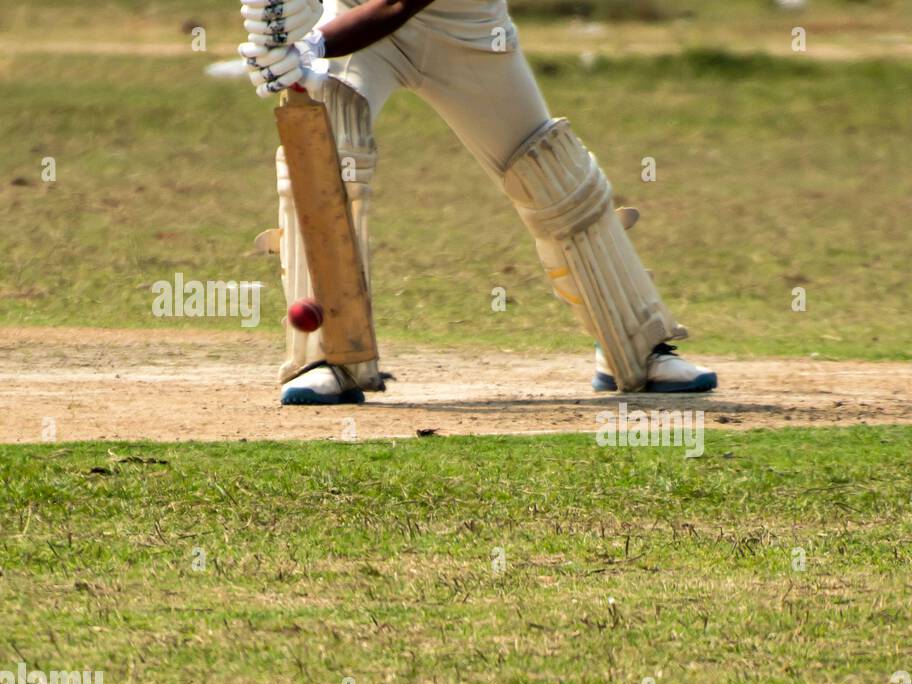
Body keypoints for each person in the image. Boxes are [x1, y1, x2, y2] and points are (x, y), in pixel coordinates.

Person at [240, 0, 718, 405]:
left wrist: (314, 45)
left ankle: (634, 344)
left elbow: (398, 5)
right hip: (351, 16)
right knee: (322, 160)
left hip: (466, 31)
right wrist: (281, 26)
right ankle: (327, 354)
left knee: (552, 175)